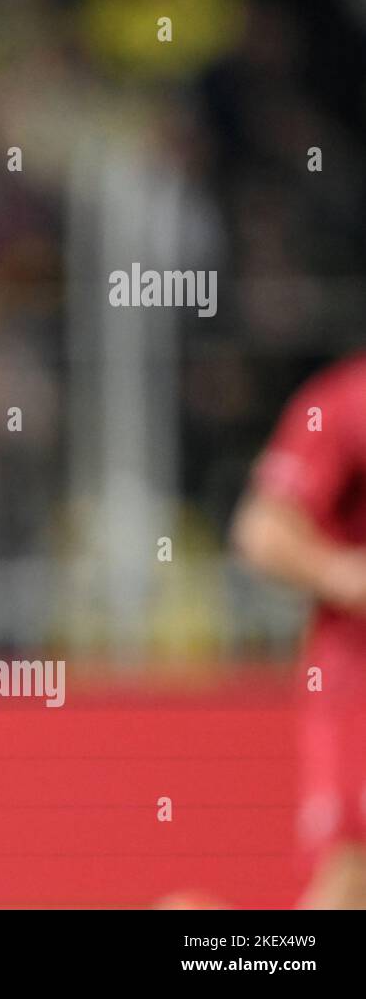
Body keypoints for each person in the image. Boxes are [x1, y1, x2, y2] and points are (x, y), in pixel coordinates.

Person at [232, 354, 366, 909]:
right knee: (352, 876)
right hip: (356, 675)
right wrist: (348, 575)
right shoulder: (347, 402)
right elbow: (262, 530)